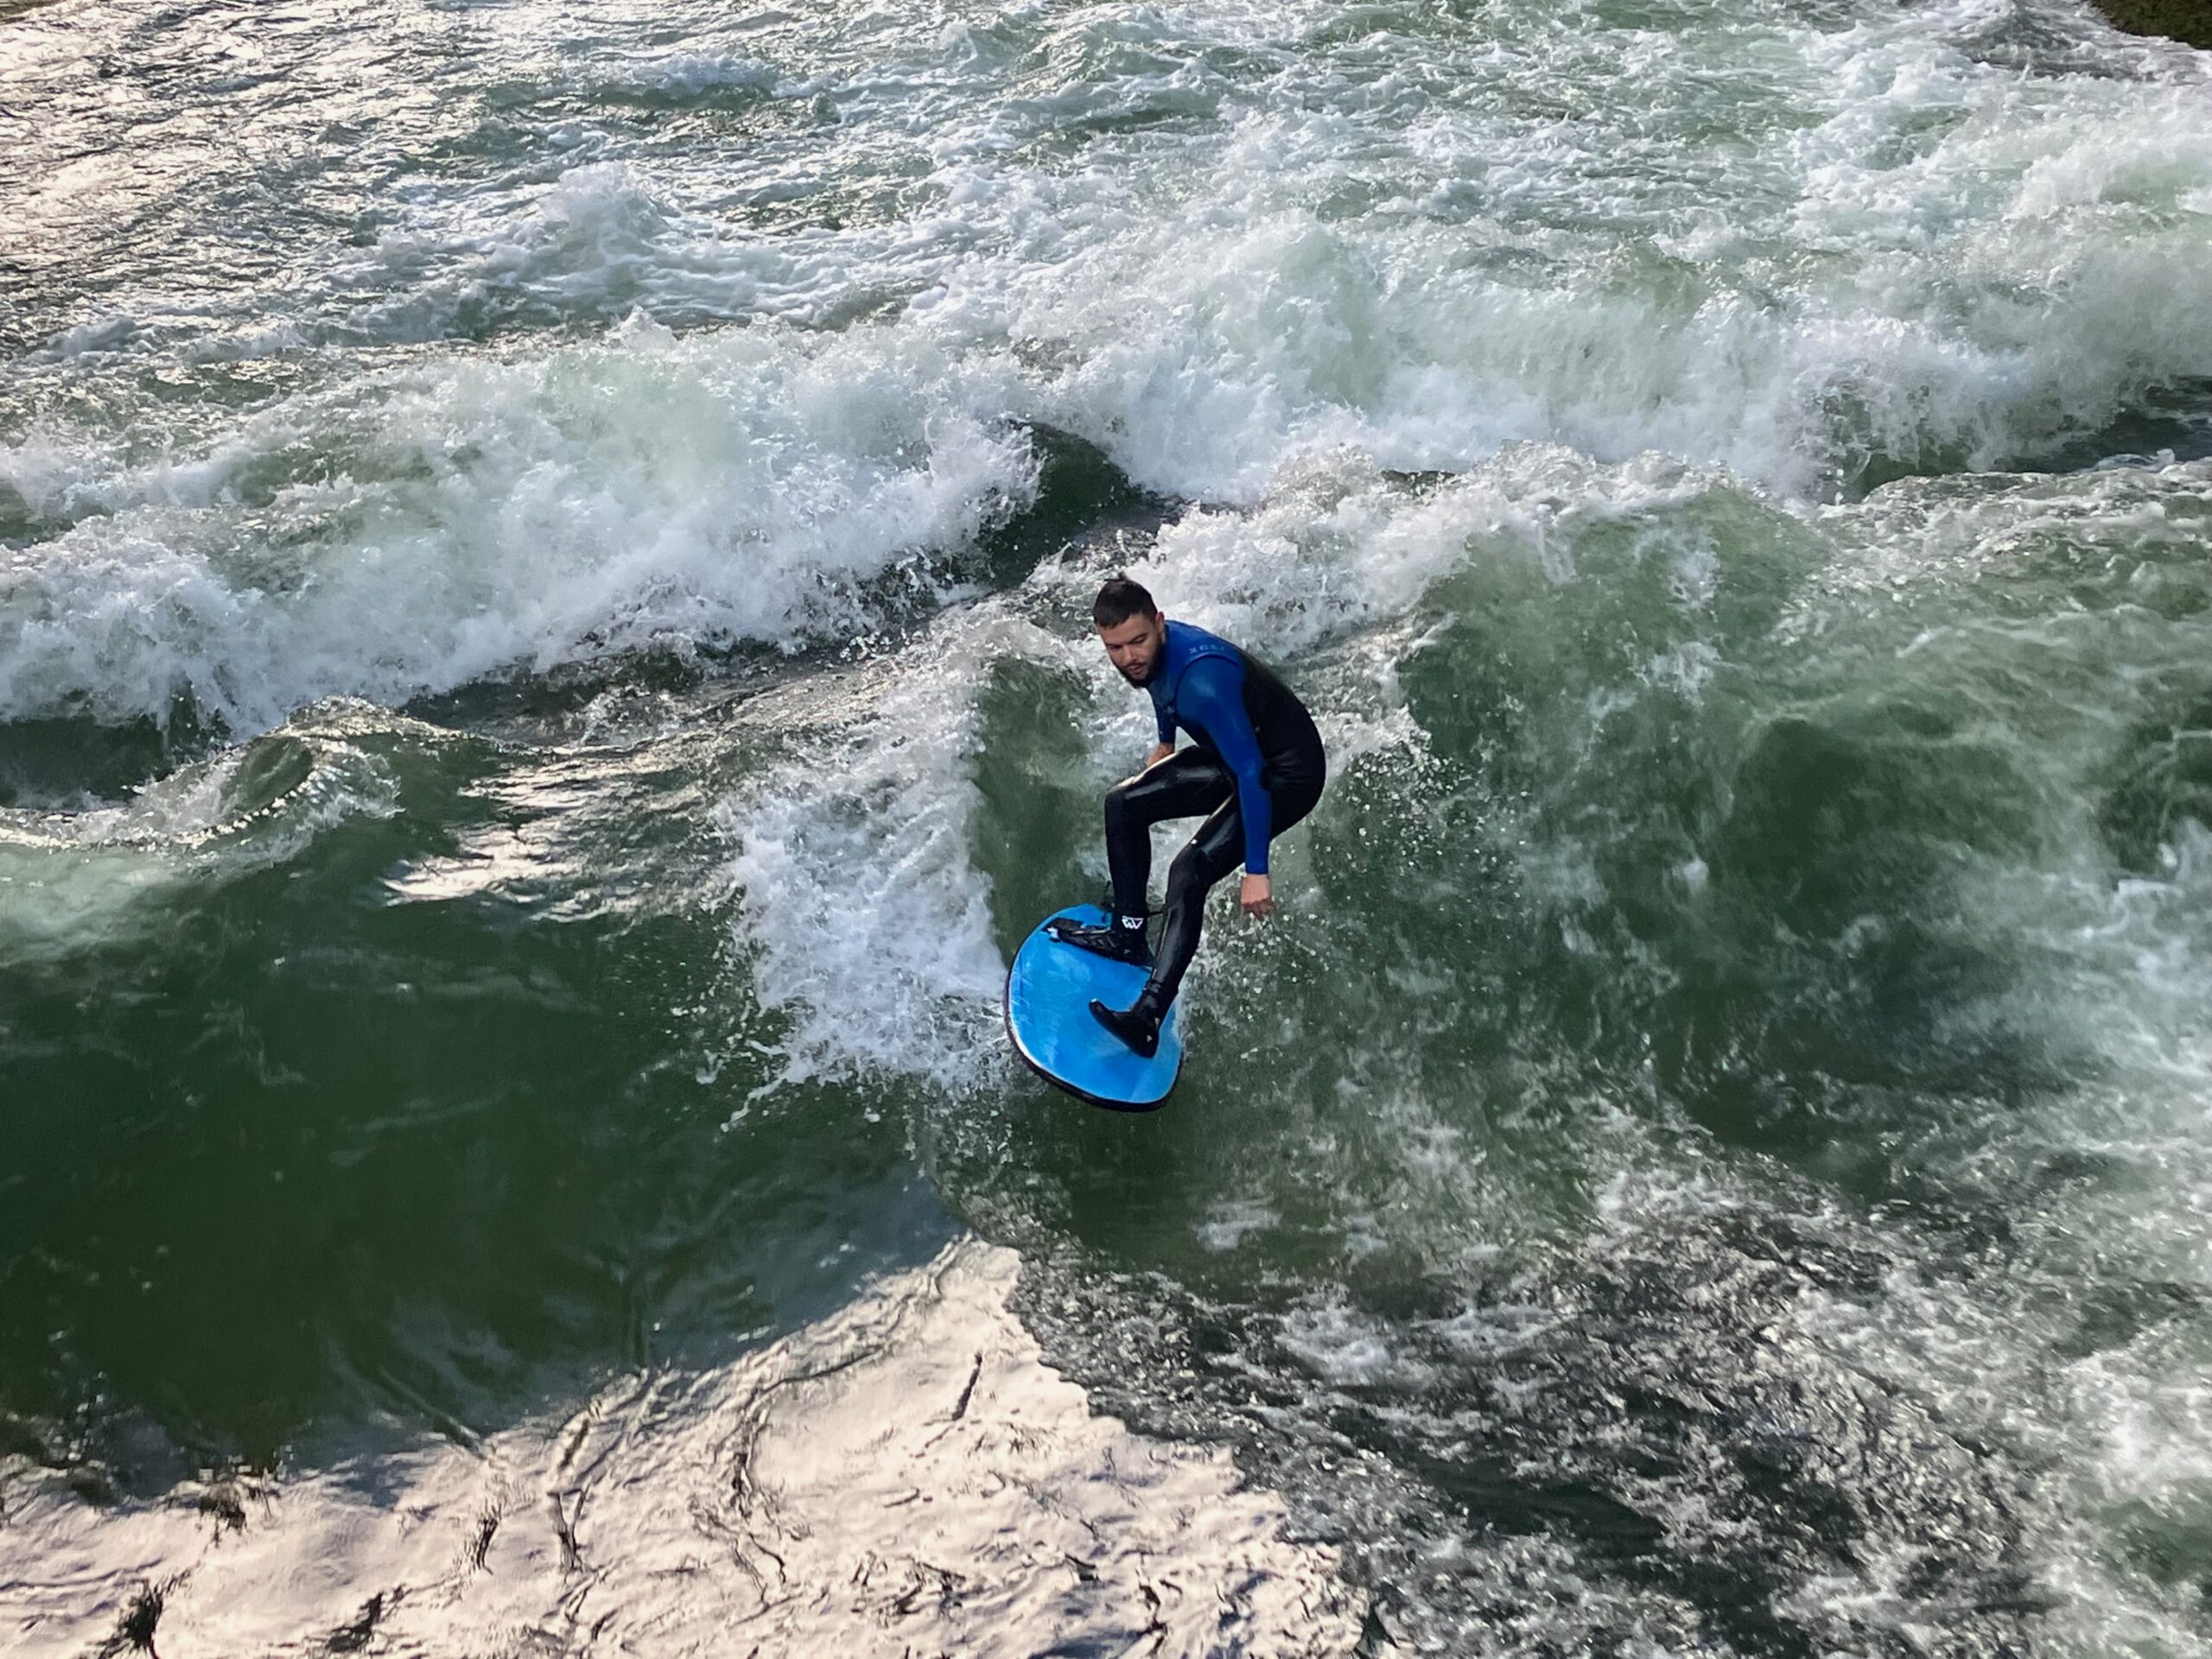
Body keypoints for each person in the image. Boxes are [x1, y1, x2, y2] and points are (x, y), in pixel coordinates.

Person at [1051, 575, 1327, 1058]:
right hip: (1237, 752)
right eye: (1115, 647)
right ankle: (1128, 936)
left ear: (1160, 623)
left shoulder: (1204, 679)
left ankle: (1147, 1019)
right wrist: (1166, 742)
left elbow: (1251, 773)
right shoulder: (1149, 656)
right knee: (1123, 804)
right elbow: (1159, 687)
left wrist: (1256, 871)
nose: (1129, 657)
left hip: (1283, 774)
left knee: (1189, 870)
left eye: (1137, 641)